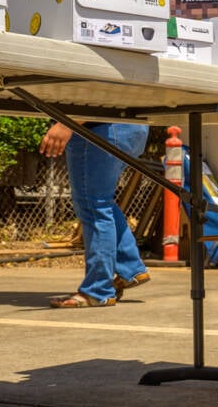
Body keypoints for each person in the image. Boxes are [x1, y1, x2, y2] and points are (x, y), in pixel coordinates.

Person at [38, 120, 152, 308]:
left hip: (98, 127)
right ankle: (131, 268)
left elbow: (97, 91)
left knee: (93, 205)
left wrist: (66, 123)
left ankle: (97, 291)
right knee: (99, 201)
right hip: (129, 125)